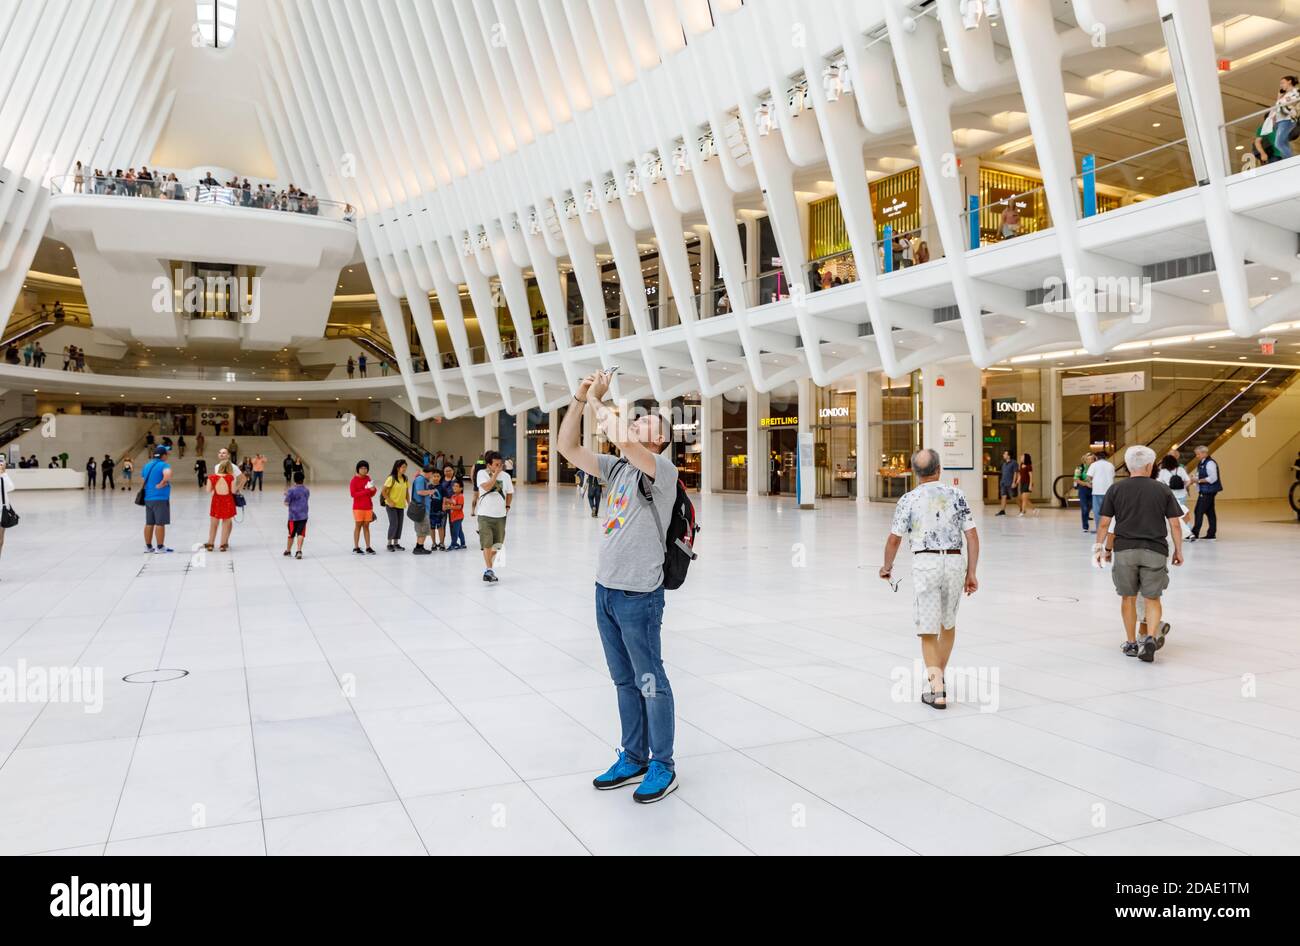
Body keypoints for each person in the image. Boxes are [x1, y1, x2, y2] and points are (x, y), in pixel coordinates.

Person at [557, 371, 680, 803]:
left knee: (649, 679)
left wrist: (596, 397)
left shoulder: (660, 470)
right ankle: (633, 755)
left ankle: (662, 763)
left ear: (660, 441)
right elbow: (566, 447)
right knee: (624, 680)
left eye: (648, 422)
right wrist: (578, 398)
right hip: (604, 592)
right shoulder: (618, 468)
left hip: (639, 596)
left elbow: (617, 434)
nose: (639, 422)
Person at [879, 447, 979, 711]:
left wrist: (886, 566)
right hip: (956, 561)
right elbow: (972, 536)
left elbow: (894, 538)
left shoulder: (908, 499)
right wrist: (972, 572)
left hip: (927, 562)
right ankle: (938, 676)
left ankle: (937, 689)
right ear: (939, 469)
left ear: (915, 472)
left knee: (927, 628)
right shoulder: (957, 494)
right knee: (948, 622)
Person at [1095, 445, 1185, 663]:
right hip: (1155, 550)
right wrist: (1179, 551)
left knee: (1128, 597)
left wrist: (1100, 549)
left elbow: (1105, 523)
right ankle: (1150, 638)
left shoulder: (1115, 489)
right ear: (1149, 465)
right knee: (1152, 597)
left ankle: (1131, 643)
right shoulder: (1162, 489)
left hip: (1125, 550)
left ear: (1127, 466)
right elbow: (1175, 524)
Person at [474, 451, 513, 582]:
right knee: (487, 544)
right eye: (496, 464)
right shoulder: (481, 474)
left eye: (500, 464)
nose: (499, 467)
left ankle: (488, 568)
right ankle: (489, 570)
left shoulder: (506, 476)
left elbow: (509, 493)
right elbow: (486, 487)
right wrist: (495, 475)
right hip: (485, 515)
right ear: (489, 465)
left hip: (500, 516)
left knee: (497, 545)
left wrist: (507, 506)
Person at [140, 446, 173, 553]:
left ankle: (148, 547)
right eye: (166, 454)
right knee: (160, 523)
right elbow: (167, 475)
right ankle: (160, 547)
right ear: (163, 455)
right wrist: (162, 483)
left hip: (148, 498)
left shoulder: (147, 465)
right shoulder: (164, 464)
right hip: (160, 498)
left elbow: (143, 480)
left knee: (149, 523)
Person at [1187, 445, 1221, 541]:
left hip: (1208, 491)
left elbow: (1213, 478)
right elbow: (1200, 476)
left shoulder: (1210, 463)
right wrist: (1195, 479)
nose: (1197, 456)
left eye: (1198, 454)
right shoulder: (1202, 463)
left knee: (1198, 511)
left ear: (1204, 453)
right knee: (1210, 512)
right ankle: (1211, 534)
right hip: (1205, 490)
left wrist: (1198, 480)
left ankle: (1195, 533)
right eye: (1196, 454)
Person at [204, 457, 238, 552]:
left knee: (213, 524)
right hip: (228, 501)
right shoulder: (231, 478)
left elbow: (208, 490)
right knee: (226, 524)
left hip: (216, 501)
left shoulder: (211, 477)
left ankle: (210, 544)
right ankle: (223, 545)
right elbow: (233, 491)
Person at [1156, 454, 1193, 539]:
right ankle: (1188, 533)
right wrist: (1183, 487)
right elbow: (1188, 481)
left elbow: (1159, 483)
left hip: (1170, 496)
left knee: (1173, 515)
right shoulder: (1180, 469)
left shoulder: (1163, 471)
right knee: (1184, 514)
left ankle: (1175, 531)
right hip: (1182, 495)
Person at [350, 461, 378, 554]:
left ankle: (368, 547)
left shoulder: (368, 479)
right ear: (358, 469)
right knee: (358, 526)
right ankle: (356, 547)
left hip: (368, 507)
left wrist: (374, 490)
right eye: (361, 468)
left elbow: (371, 494)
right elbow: (353, 494)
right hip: (358, 507)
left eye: (365, 468)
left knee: (366, 526)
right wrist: (367, 490)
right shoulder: (354, 480)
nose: (364, 470)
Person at [1085, 449, 1115, 532]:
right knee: (1109, 511)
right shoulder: (1110, 465)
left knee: (1097, 511)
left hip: (1097, 491)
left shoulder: (1094, 465)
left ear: (1096, 457)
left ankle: (1099, 529)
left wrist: (1091, 483)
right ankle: (1110, 529)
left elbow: (1088, 478)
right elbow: (1112, 477)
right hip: (1109, 491)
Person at [381, 460, 409, 552]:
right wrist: (389, 501)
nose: (404, 469)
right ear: (398, 468)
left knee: (399, 524)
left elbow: (406, 491)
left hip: (401, 505)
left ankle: (396, 543)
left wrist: (409, 502)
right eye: (403, 467)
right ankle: (389, 544)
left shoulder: (405, 478)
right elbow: (383, 491)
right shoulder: (391, 478)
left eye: (405, 467)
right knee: (394, 523)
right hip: (391, 505)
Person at [410, 464, 436, 554]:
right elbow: (420, 492)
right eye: (432, 474)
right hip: (422, 509)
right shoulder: (421, 479)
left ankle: (419, 546)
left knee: (421, 529)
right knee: (423, 529)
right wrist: (430, 492)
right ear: (429, 473)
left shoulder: (421, 479)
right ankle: (419, 548)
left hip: (422, 508)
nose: (432, 476)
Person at [284, 471, 309, 558]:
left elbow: (286, 503)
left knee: (291, 534)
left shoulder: (291, 490)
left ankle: (288, 550)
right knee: (301, 533)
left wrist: (286, 495)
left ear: (294, 479)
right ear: (303, 480)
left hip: (293, 517)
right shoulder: (306, 490)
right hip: (303, 516)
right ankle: (299, 551)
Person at [1073, 453, 1094, 532]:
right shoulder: (1080, 468)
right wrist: (1086, 484)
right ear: (1085, 459)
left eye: (1092, 459)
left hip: (1093, 488)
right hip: (1083, 489)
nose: (1091, 461)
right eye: (1089, 459)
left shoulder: (1095, 467)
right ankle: (1085, 526)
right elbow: (1076, 479)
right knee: (1084, 508)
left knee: (1090, 506)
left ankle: (1086, 515)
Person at [447, 478, 467, 549]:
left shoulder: (460, 496)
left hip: (458, 517)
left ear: (461, 488)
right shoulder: (453, 496)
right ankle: (463, 544)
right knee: (459, 531)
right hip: (454, 517)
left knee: (455, 532)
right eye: (453, 486)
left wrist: (449, 507)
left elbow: (459, 507)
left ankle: (453, 544)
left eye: (456, 486)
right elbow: (452, 504)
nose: (454, 487)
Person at [996, 450, 1017, 516]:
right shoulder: (1004, 464)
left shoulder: (1014, 463)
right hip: (1003, 483)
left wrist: (1014, 482)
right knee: (1003, 496)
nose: (1003, 455)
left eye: (1005, 454)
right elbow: (1003, 473)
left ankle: (1022, 509)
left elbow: (1015, 473)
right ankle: (1002, 511)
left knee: (1014, 497)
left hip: (1010, 483)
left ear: (1008, 456)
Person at [1017, 452, 1034, 517]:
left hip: (1027, 483)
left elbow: (1031, 476)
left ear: (1025, 458)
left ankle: (1023, 512)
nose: (1021, 457)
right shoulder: (1021, 465)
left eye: (1022, 457)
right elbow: (1020, 474)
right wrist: (1018, 481)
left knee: (1024, 499)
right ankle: (1034, 509)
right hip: (1022, 483)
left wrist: (1030, 485)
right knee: (1023, 499)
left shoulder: (1029, 466)